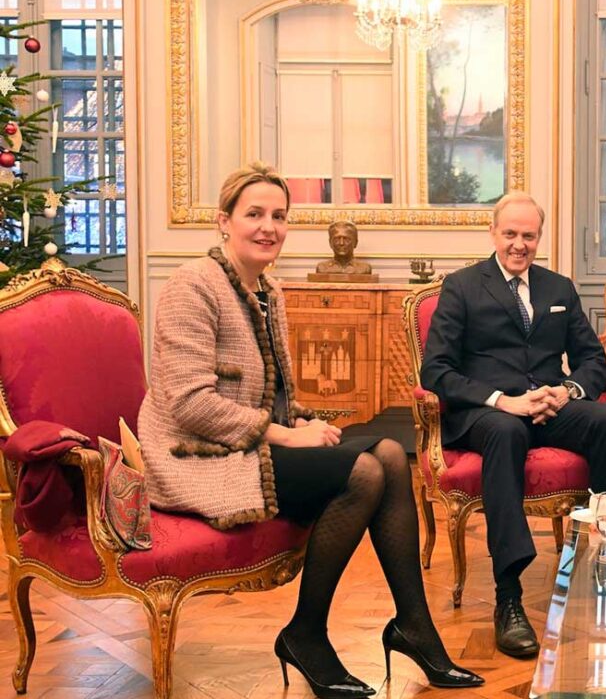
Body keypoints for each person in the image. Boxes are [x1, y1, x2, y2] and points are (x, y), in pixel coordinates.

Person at [139, 163, 482, 696]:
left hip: (248, 442)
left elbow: (273, 394)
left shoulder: (267, 289)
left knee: (391, 454)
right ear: (223, 222)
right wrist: (284, 435)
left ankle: (413, 627)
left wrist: (300, 419)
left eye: (279, 215)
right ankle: (308, 634)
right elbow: (189, 406)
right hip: (199, 454)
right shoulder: (192, 287)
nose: (268, 227)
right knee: (365, 473)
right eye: (254, 214)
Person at [420, 191, 606, 659]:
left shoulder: (558, 288)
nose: (519, 244)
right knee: (506, 430)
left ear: (539, 238)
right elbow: (435, 371)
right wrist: (503, 401)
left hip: (549, 405)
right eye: (510, 234)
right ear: (494, 233)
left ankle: (603, 561)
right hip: (486, 412)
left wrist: (568, 391)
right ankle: (508, 596)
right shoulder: (461, 286)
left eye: (528, 236)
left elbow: (593, 361)